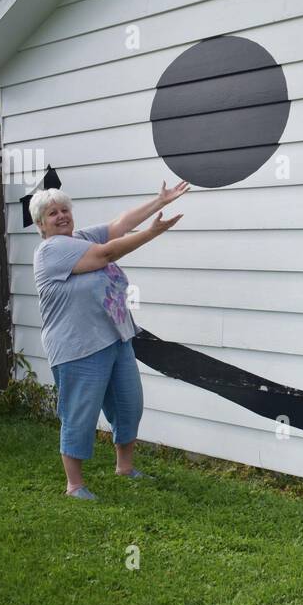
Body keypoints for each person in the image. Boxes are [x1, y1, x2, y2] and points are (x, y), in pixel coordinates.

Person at [30, 180, 188, 499]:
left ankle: (125, 467)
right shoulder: (51, 250)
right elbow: (106, 254)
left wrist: (159, 201)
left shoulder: (80, 238)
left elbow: (120, 224)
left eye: (64, 210)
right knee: (80, 412)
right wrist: (153, 232)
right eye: (52, 213)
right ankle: (74, 485)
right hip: (78, 346)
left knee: (129, 405)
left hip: (115, 337)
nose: (61, 216)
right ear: (41, 225)